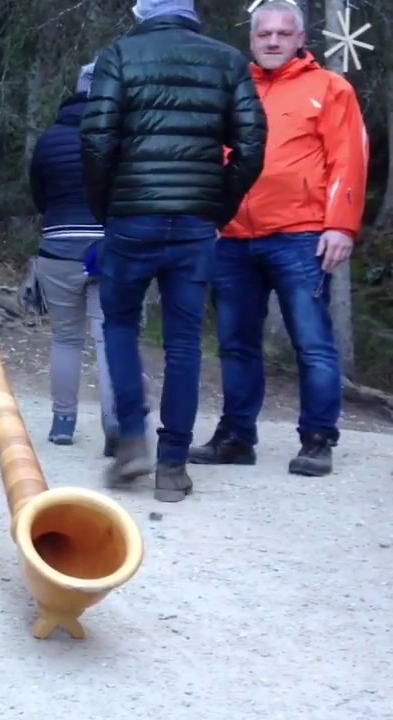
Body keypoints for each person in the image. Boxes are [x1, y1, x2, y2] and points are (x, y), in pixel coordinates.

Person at [80, 0, 267, 501]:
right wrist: (216, 207)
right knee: (184, 343)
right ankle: (173, 466)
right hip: (194, 223)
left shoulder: (120, 54)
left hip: (131, 216)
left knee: (119, 325)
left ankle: (133, 438)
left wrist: (108, 207)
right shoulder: (227, 60)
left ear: (146, 10)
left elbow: (97, 139)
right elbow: (251, 145)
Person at [189, 0, 368, 477]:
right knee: (234, 342)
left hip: (301, 235)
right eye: (263, 33)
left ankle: (316, 439)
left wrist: (340, 224)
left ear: (299, 38)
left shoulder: (330, 89)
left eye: (282, 34)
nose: (272, 41)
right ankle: (236, 436)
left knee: (311, 342)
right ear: (251, 39)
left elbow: (348, 158)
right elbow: (216, 155)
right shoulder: (235, 87)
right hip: (232, 236)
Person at [29, 63, 118, 455]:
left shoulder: (50, 139)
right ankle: (115, 424)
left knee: (65, 339)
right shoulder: (121, 135)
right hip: (110, 247)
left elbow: (39, 196)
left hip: (59, 246)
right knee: (109, 338)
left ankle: (63, 422)